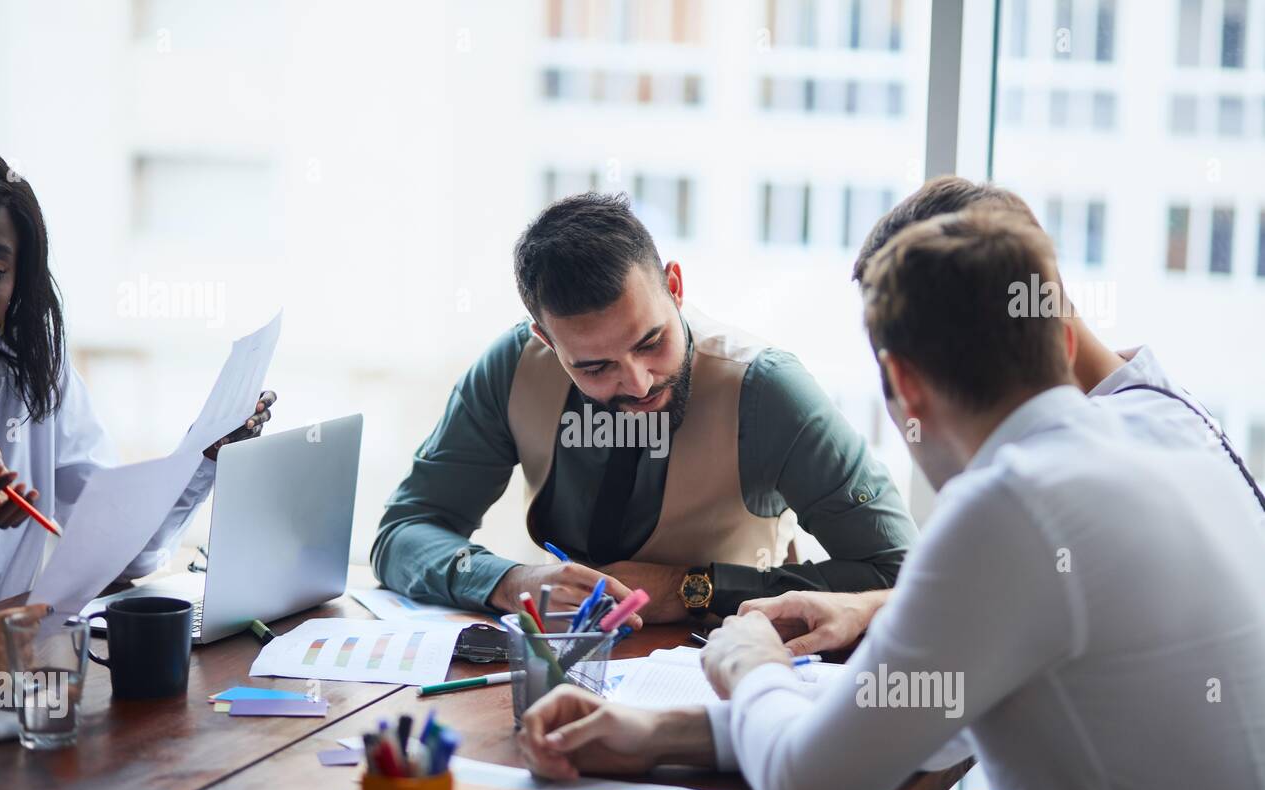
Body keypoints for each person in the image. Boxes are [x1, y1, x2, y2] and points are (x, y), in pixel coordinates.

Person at [517, 209, 1265, 790]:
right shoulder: (1170, 432)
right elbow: (905, 726)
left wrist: (749, 665)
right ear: (1062, 339)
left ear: (903, 384)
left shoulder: (1010, 509)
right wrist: (653, 732)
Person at [740, 175, 1265, 656]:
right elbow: (1022, 593)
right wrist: (867, 606)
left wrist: (752, 670)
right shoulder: (1155, 412)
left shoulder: (1093, 465)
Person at [373, 192, 916, 624]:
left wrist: (690, 589)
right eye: (593, 366)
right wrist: (510, 582)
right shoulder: (511, 367)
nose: (637, 382)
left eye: (651, 341)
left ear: (674, 287)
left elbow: (901, 573)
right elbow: (404, 531)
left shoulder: (767, 391)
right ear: (545, 339)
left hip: (734, 668)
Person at [0, 142, 274, 607]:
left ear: (17, 283)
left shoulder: (34, 375)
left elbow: (120, 554)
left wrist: (201, 455)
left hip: (4, 670)